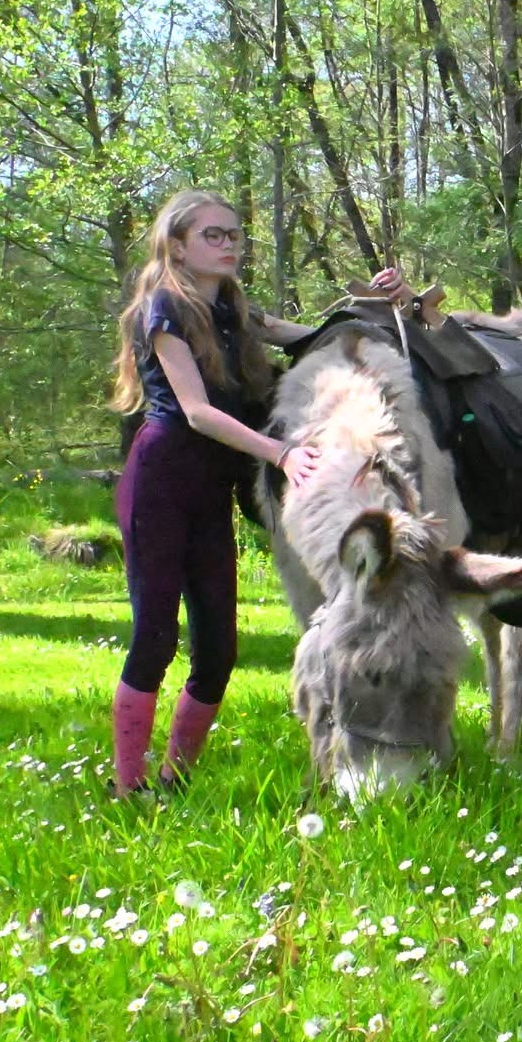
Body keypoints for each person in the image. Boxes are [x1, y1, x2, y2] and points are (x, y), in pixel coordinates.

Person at [103, 187, 421, 797]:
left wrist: (388, 309)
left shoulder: (236, 313)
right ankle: (127, 788)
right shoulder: (164, 307)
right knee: (154, 638)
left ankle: (174, 781)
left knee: (219, 649)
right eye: (212, 236)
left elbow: (319, 335)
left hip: (212, 488)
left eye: (234, 236)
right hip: (162, 479)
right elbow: (195, 411)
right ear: (177, 245)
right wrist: (281, 452)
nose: (228, 246)